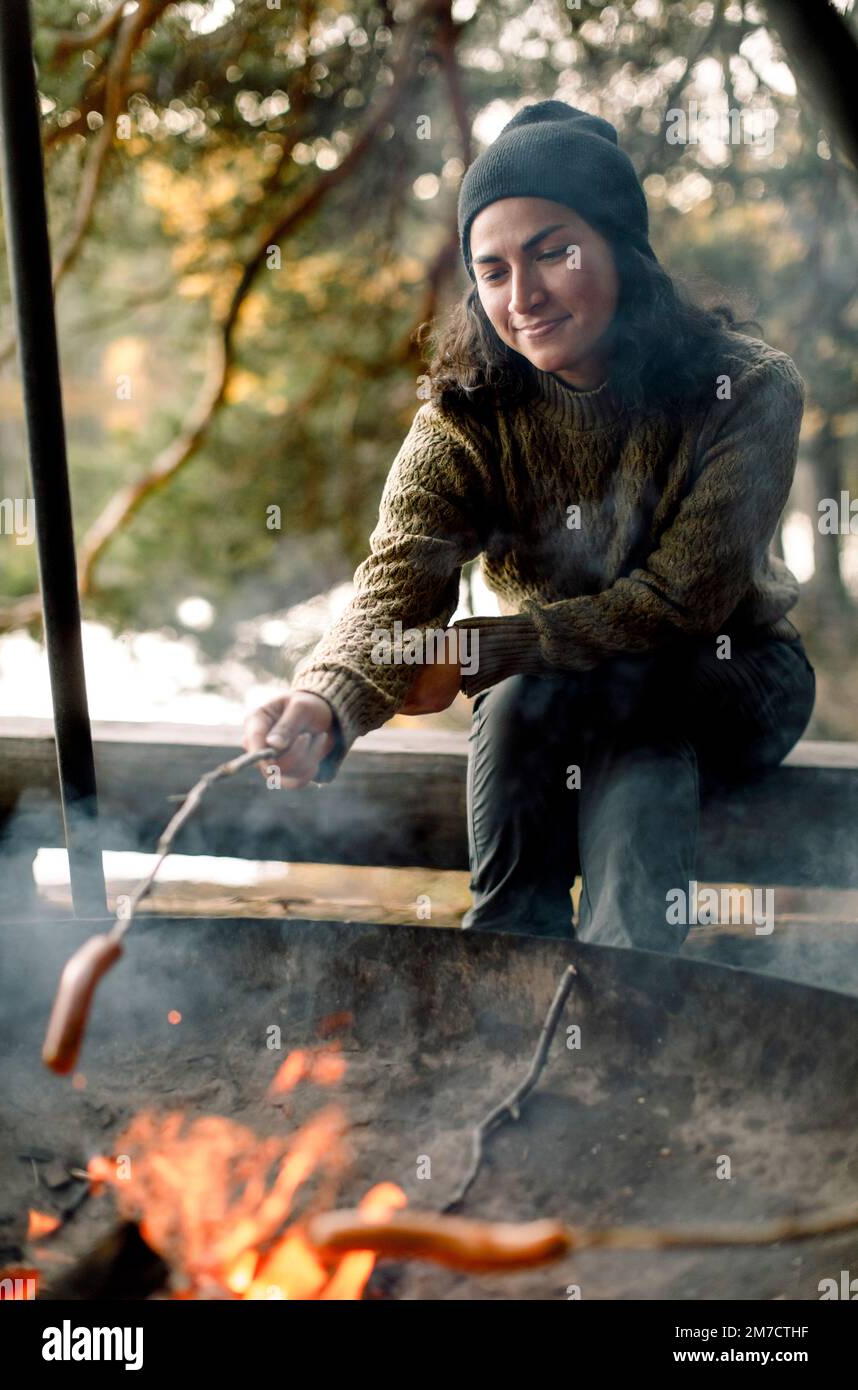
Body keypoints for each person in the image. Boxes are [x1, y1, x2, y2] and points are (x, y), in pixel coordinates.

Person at [243, 100, 815, 953]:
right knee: (552, 698)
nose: (525, 296)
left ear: (623, 247)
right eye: (495, 270)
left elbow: (681, 605)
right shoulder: (469, 415)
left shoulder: (744, 389)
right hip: (554, 701)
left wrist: (485, 652)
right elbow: (396, 588)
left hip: (734, 679)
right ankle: (516, 977)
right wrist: (325, 699)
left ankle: (616, 991)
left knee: (621, 694)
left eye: (555, 252)